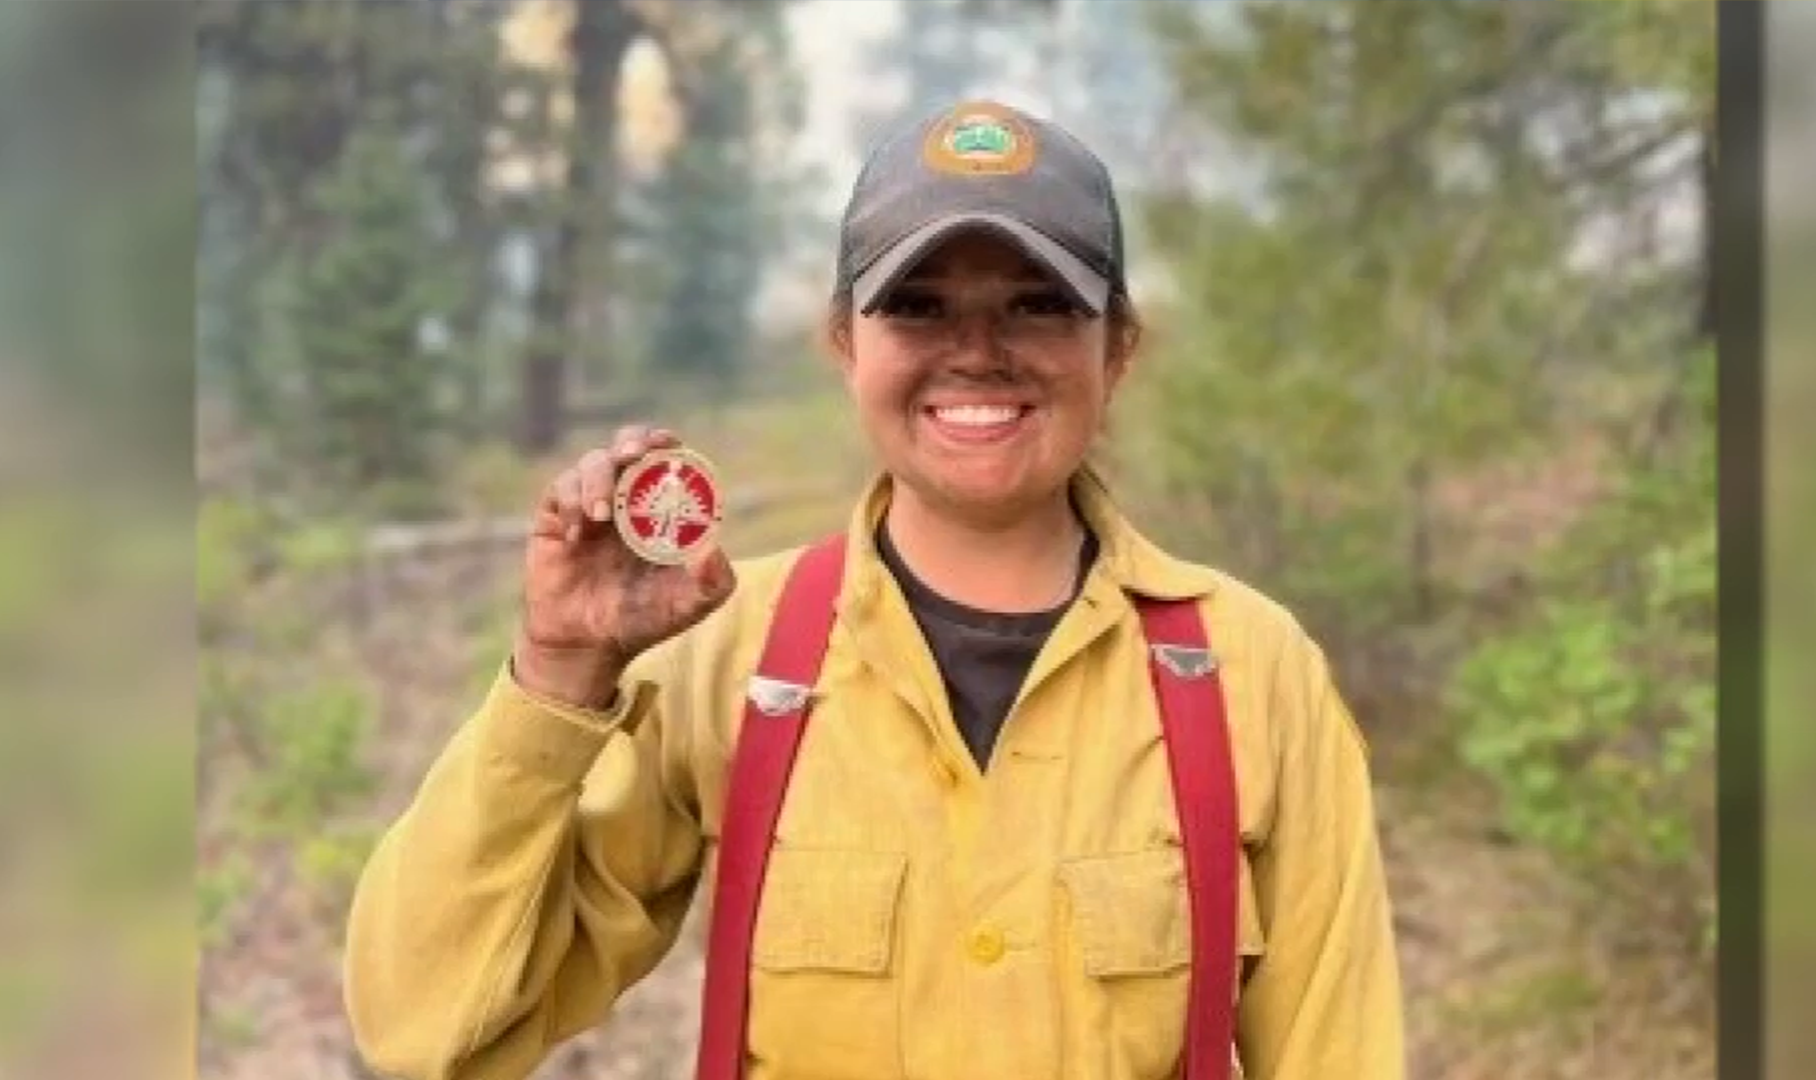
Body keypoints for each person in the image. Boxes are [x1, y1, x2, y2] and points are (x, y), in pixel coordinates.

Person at [344, 98, 1405, 1080]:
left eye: (1039, 305)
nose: (978, 353)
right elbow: (427, 1027)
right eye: (919, 306)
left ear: (1118, 347)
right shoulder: (727, 656)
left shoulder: (1252, 671)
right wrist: (558, 676)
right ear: (846, 344)